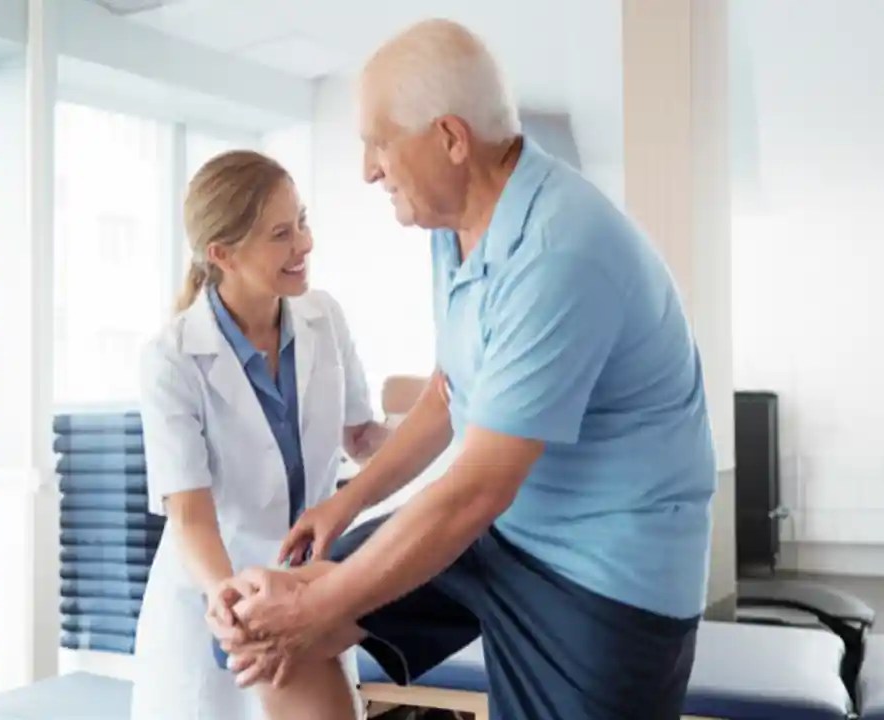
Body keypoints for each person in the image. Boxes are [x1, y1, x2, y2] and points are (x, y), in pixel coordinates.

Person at [214, 19, 718, 720]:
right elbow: (449, 392)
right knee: (270, 639)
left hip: (602, 576)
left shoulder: (560, 250)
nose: (367, 169)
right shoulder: (454, 229)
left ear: (451, 139)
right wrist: (345, 503)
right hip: (501, 532)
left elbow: (478, 488)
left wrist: (321, 598)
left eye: (379, 143)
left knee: (306, 606)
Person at [130, 150, 387, 720]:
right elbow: (190, 512)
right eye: (280, 234)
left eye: (302, 221)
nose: (304, 244)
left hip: (302, 595)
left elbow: (362, 437)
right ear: (222, 254)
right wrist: (226, 597)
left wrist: (462, 433)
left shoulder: (324, 317)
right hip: (215, 599)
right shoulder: (171, 359)